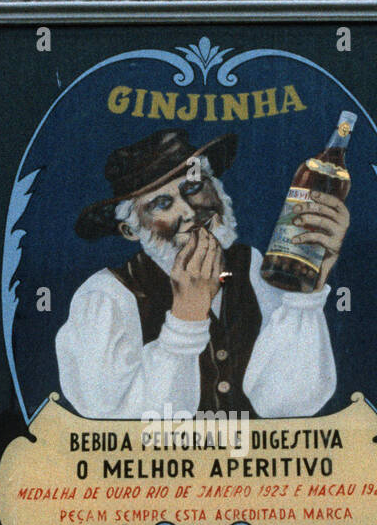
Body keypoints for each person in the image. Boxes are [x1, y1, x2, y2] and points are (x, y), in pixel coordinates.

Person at [55, 128, 349, 419]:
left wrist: (307, 287)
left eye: (194, 186)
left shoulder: (251, 265)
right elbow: (113, 421)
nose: (189, 212)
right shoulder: (107, 296)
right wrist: (185, 318)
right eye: (162, 203)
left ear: (216, 186)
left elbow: (289, 404)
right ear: (132, 229)